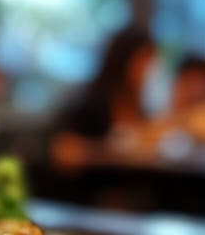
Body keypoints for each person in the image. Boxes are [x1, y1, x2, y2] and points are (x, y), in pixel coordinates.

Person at [51, 26, 157, 168]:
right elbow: (64, 150)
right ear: (124, 61)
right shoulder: (91, 104)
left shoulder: (144, 108)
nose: (150, 70)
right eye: (144, 61)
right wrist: (113, 151)